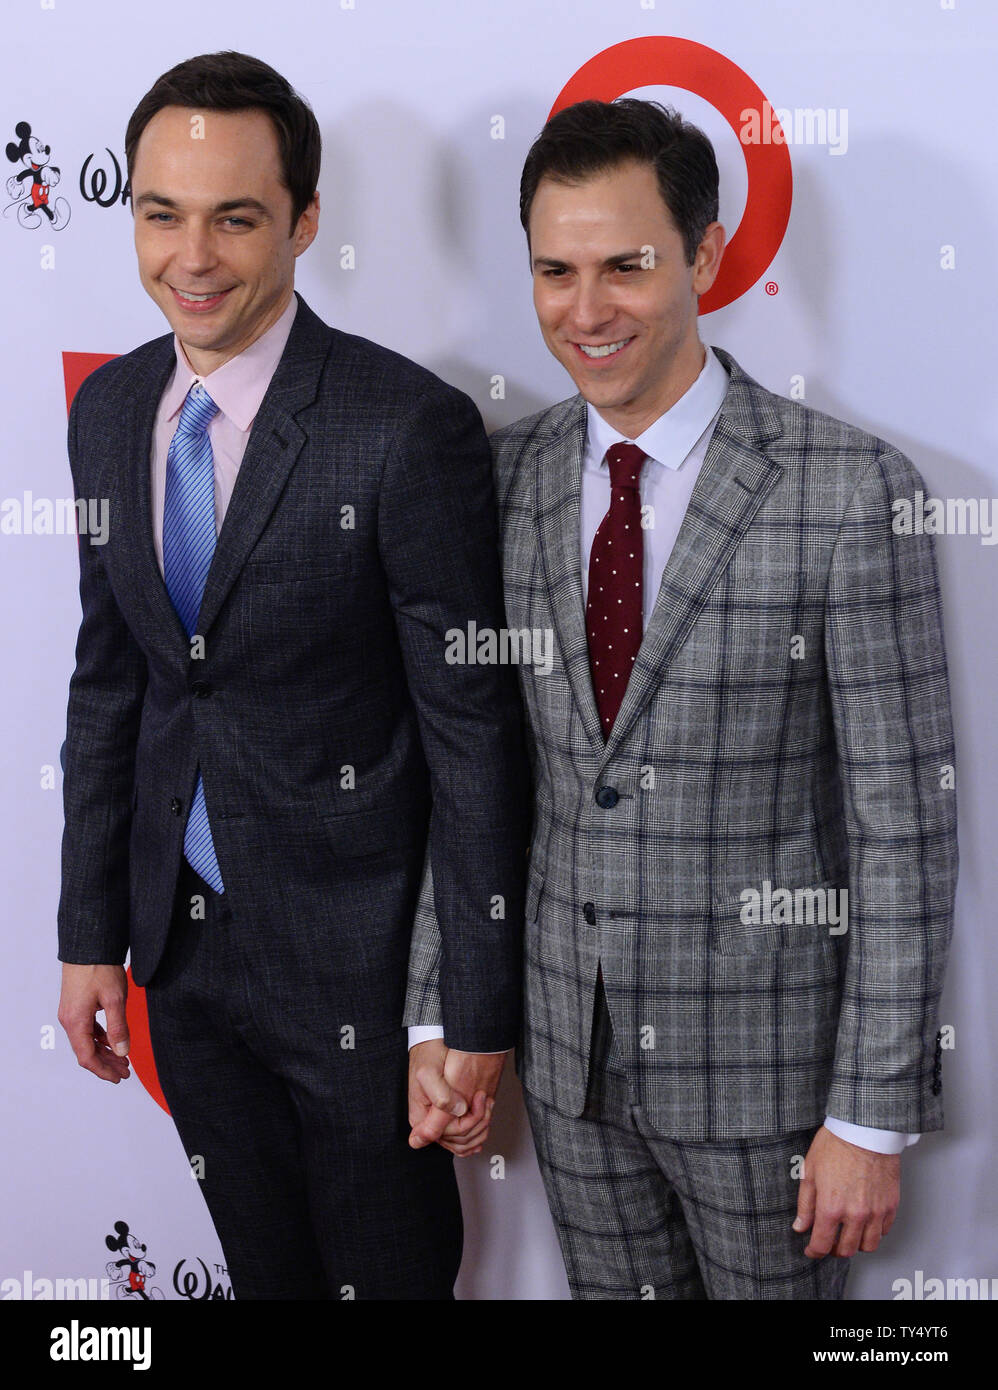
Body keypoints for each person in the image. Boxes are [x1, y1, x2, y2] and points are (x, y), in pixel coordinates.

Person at [407, 98, 958, 1299]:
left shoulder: (852, 493)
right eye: (554, 271)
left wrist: (869, 1114)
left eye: (626, 266)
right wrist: (436, 1009)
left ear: (705, 257)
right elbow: (470, 775)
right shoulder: (497, 477)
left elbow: (901, 829)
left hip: (772, 1085)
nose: (584, 309)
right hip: (566, 1065)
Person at [56, 50, 527, 1301]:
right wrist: (89, 933)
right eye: (160, 214)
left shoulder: (399, 424)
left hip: (360, 966)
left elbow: (471, 733)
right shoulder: (107, 412)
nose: (190, 255)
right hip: (184, 955)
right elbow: (113, 686)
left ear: (305, 221)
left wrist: (469, 1010)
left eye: (234, 217)